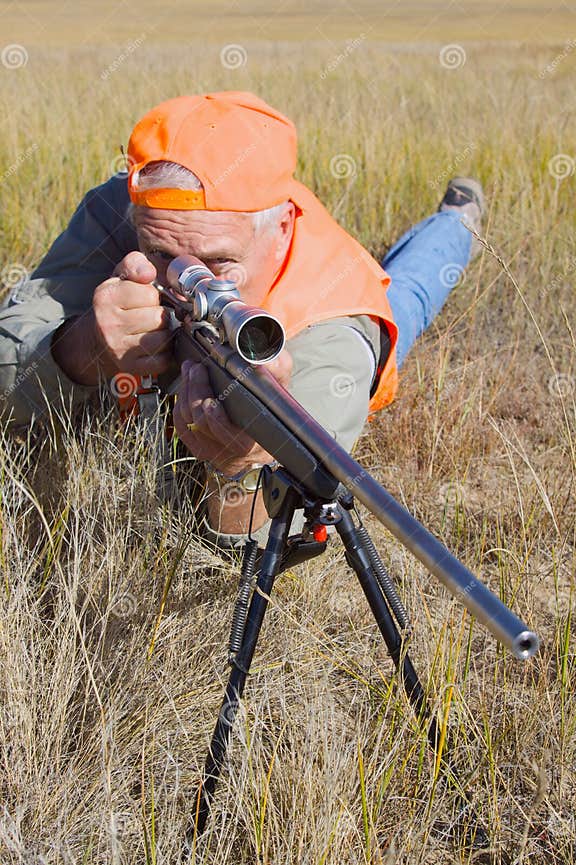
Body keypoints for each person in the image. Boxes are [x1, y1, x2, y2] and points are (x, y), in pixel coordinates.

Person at [0, 91, 484, 548]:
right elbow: (10, 352)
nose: (181, 281)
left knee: (410, 293)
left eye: (217, 264)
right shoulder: (141, 205)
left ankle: (455, 220)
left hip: (327, 295)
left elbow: (270, 544)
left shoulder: (332, 334)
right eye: (160, 252)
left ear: (282, 230)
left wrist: (241, 468)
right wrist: (79, 350)